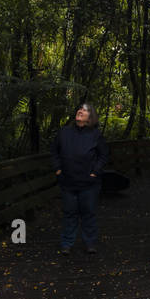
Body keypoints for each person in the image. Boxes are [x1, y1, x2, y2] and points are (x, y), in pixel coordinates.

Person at [50, 102, 108, 254]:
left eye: (85, 110)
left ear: (91, 117)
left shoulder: (96, 135)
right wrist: (57, 170)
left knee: (88, 213)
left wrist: (95, 172)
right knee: (69, 213)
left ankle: (90, 243)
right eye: (79, 109)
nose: (80, 111)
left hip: (89, 183)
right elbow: (54, 152)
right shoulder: (64, 132)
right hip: (68, 182)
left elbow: (103, 156)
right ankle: (66, 244)